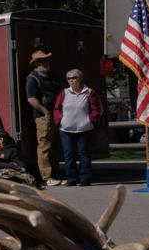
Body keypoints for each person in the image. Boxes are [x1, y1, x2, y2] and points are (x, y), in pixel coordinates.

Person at [54, 68, 101, 187]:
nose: (71, 80)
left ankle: (85, 179)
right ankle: (71, 179)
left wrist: (91, 120)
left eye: (74, 78)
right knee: (68, 155)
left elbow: (96, 109)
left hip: (84, 129)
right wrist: (60, 121)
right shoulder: (63, 93)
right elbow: (57, 108)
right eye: (69, 78)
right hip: (66, 129)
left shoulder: (89, 92)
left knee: (83, 154)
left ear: (80, 78)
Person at [25, 50, 63, 186]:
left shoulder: (52, 76)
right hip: (43, 116)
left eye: (47, 60)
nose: (46, 63)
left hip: (56, 114)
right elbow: (31, 99)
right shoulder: (32, 78)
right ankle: (47, 177)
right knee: (44, 146)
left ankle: (56, 174)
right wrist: (45, 111)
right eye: (43, 61)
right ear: (36, 64)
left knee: (55, 146)